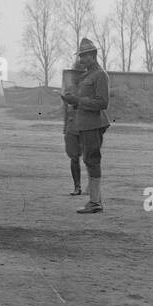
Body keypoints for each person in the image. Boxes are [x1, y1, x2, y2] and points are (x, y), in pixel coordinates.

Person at [60, 38, 109, 214]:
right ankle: (95, 200)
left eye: (85, 56)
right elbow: (83, 101)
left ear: (94, 55)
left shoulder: (100, 75)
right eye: (80, 56)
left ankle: (95, 203)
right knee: (89, 160)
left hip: (93, 124)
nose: (81, 60)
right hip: (84, 124)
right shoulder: (86, 76)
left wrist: (78, 100)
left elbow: (103, 102)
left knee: (92, 161)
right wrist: (71, 101)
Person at [61, 59, 84, 195]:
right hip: (71, 127)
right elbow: (66, 110)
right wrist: (65, 128)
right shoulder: (69, 89)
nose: (77, 76)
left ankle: (91, 187)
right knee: (74, 158)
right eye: (75, 73)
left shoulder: (89, 88)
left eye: (80, 73)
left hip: (86, 126)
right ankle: (77, 186)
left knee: (89, 159)